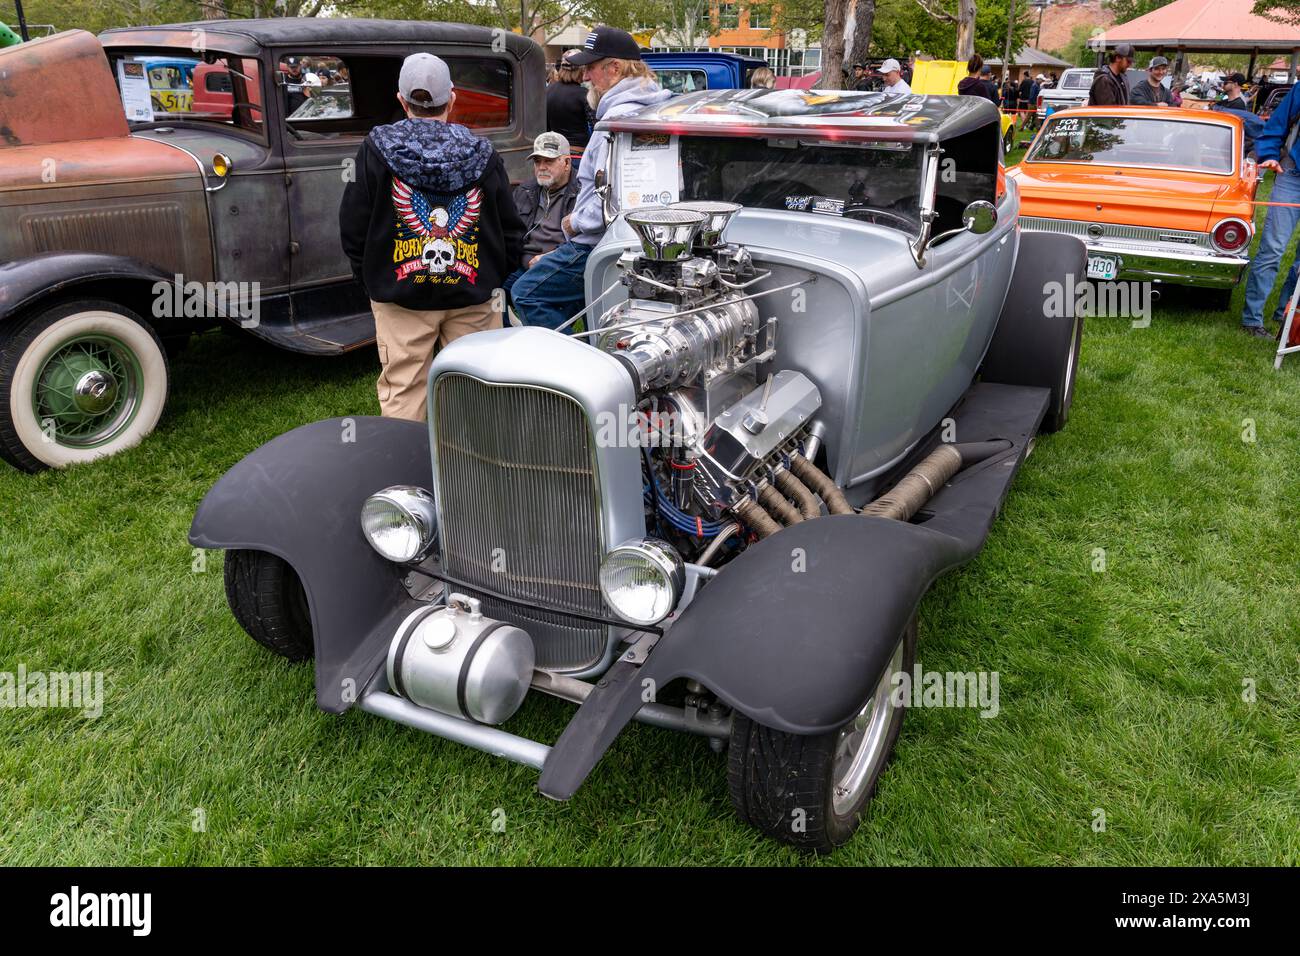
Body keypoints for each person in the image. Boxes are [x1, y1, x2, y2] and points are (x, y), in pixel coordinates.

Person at [339, 53, 525, 419]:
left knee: (405, 394)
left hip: (402, 297)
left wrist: (375, 280)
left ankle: (407, 473)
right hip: (472, 294)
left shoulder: (374, 150)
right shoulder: (482, 152)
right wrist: (493, 278)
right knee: (476, 393)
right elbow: (510, 227)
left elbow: (353, 226)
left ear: (401, 100)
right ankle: (474, 474)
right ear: (452, 99)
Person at [511, 26, 671, 332]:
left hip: (596, 243)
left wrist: (575, 222)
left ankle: (576, 368)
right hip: (631, 241)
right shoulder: (650, 112)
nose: (586, 76)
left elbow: (614, 197)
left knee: (526, 293)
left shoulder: (617, 122)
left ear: (615, 68)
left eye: (592, 68)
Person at [1239, 83, 1300, 338]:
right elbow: (1275, 126)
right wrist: (1270, 154)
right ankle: (1252, 319)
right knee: (1273, 248)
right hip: (1292, 174)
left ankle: (1288, 311)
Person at [505, 131, 580, 296]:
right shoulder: (525, 190)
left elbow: (584, 243)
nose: (542, 167)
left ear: (567, 163)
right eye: (537, 162)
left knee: (524, 295)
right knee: (492, 287)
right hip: (523, 264)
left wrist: (550, 258)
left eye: (549, 161)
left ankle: (544, 322)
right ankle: (514, 323)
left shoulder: (582, 193)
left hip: (562, 267)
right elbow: (509, 231)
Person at [546, 49, 594, 148]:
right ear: (581, 70)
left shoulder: (548, 90)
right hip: (578, 152)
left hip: (555, 150)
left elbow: (544, 125)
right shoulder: (584, 94)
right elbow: (596, 127)